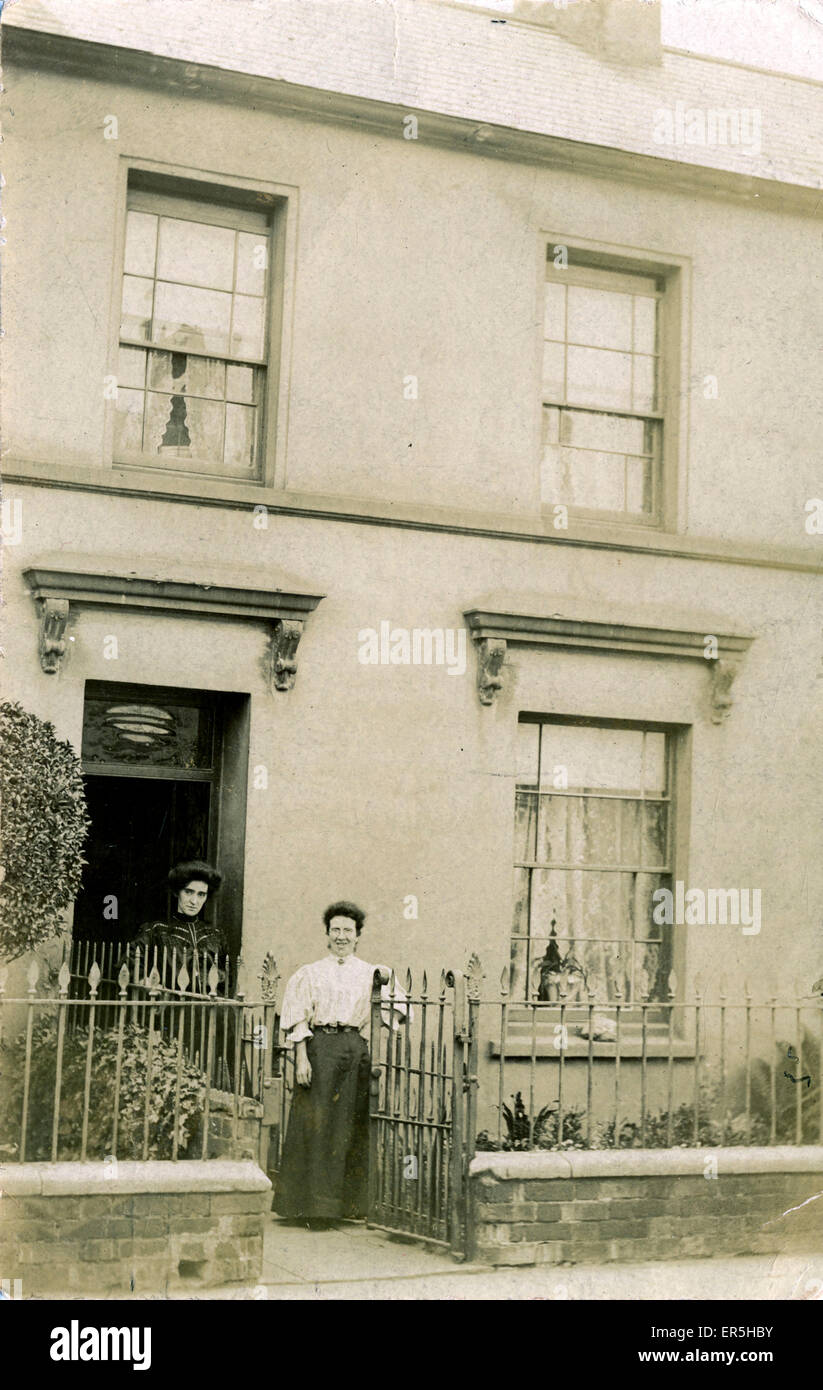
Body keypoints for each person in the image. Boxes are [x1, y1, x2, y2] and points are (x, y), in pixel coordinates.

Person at [274, 901, 409, 1230]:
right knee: (316, 1123)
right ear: (327, 934)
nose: (341, 936)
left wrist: (367, 1036)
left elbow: (400, 1008)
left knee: (348, 1125)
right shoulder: (311, 972)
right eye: (335, 930)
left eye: (348, 930)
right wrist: (302, 1057)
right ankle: (309, 1207)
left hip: (354, 1050)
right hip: (320, 1047)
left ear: (358, 936)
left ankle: (347, 1206)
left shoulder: (369, 972)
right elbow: (297, 1017)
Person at [128, 859, 229, 993]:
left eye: (201, 894)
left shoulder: (215, 935)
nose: (194, 901)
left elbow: (227, 978)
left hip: (207, 1010)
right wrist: (146, 983)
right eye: (188, 892)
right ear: (177, 892)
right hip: (170, 1008)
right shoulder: (156, 930)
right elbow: (128, 963)